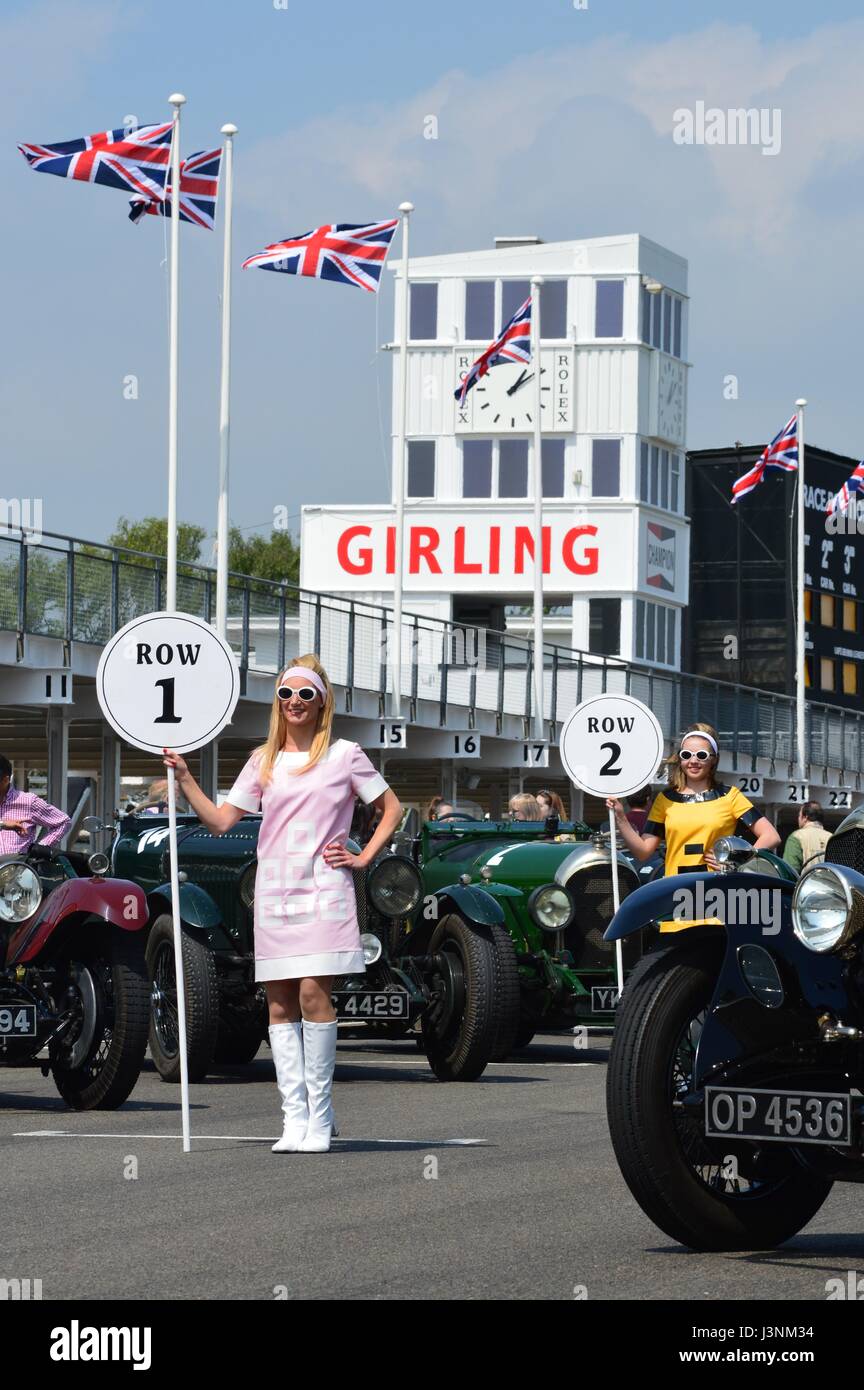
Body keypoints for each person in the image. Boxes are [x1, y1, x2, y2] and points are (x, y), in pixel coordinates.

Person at [163, 655, 403, 1154]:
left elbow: (391, 808)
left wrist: (363, 857)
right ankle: (294, 1119)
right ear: (278, 703)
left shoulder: (345, 754)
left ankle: (322, 1117)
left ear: (321, 703)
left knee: (314, 994)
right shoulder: (262, 760)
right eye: (286, 694)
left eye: (305, 694)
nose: (295, 701)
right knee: (278, 1004)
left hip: (325, 890)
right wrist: (184, 777)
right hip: (274, 891)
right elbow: (221, 822)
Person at [607, 723, 780, 929]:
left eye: (702, 755)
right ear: (680, 758)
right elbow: (643, 851)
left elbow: (771, 836)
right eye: (687, 755)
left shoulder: (730, 796)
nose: (693, 761)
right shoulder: (664, 800)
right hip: (677, 897)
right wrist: (620, 816)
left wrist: (737, 862)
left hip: (719, 897)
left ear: (713, 759)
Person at [0, 755, 71, 855]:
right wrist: (2, 824)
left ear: (5, 780)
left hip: (19, 864)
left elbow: (63, 822)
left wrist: (39, 850)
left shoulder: (28, 801)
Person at [783, 801, 832, 874]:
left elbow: (790, 871)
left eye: (799, 816)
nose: (798, 819)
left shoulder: (797, 836)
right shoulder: (832, 838)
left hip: (808, 881)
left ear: (805, 817)